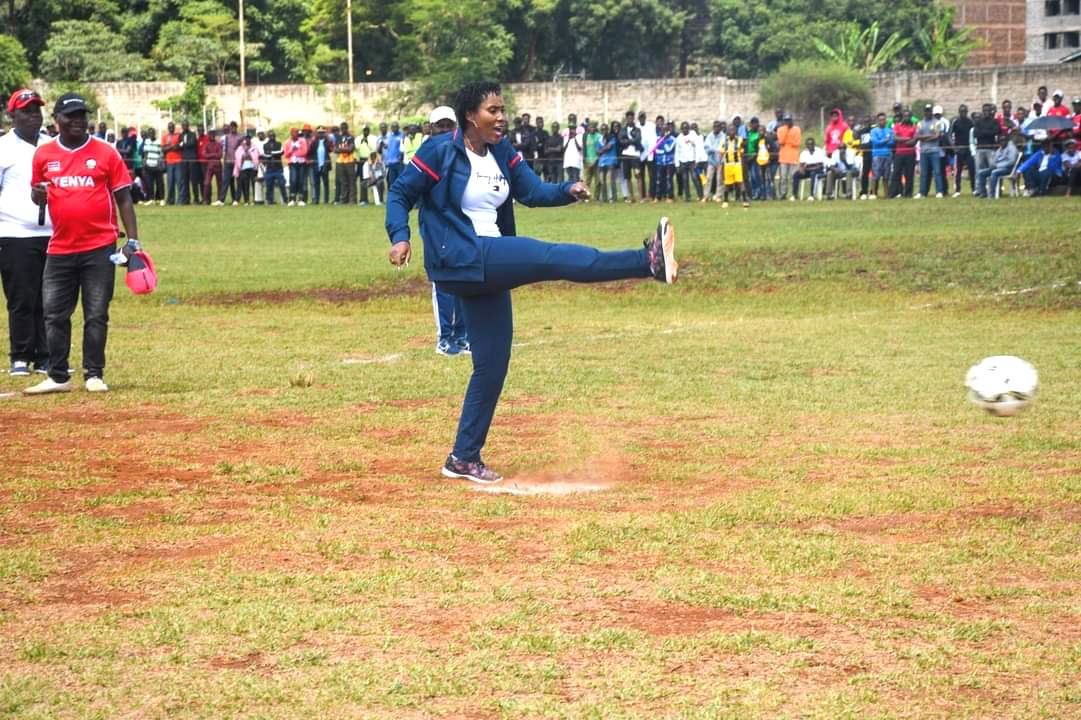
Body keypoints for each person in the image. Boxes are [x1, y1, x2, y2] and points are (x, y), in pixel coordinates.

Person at [384, 81, 678, 484]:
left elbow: (532, 192)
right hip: (462, 255)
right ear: (470, 115)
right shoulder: (440, 150)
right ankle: (646, 261)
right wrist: (399, 236)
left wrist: (566, 190)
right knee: (550, 257)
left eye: (503, 110)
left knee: (491, 366)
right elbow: (400, 193)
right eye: (492, 110)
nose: (501, 118)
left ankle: (462, 457)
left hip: (486, 263)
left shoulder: (502, 152)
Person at [25, 93, 141, 395]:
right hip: (60, 247)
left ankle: (94, 374)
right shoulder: (44, 155)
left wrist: (133, 241)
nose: (78, 120)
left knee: (96, 312)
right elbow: (37, 193)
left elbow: (124, 198)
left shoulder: (106, 152)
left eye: (82, 115)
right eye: (70, 116)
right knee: (54, 314)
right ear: (57, 121)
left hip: (99, 247)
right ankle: (58, 375)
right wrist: (37, 196)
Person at [0, 89, 52, 377]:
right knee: (21, 297)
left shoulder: (51, 145)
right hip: (15, 233)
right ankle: (20, 355)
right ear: (12, 115)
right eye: (27, 111)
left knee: (50, 299)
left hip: (53, 233)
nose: (34, 116)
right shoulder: (3, 147)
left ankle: (46, 356)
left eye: (37, 110)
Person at [976, 133, 1020, 199]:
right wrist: (993, 164)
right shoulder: (1000, 149)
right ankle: (983, 193)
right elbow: (995, 159)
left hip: (1008, 169)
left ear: (1007, 140)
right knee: (981, 173)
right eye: (1001, 141)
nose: (1002, 142)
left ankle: (992, 194)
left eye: (1004, 140)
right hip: (997, 167)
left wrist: (998, 166)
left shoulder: (1012, 148)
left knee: (994, 173)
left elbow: (1011, 162)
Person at [972, 104, 1001, 196]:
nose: (986, 112)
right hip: (980, 149)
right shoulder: (978, 122)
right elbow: (976, 134)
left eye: (988, 110)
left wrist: (984, 132)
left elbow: (996, 131)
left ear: (991, 111)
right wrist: (988, 132)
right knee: (979, 170)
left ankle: (992, 190)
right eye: (984, 111)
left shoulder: (994, 121)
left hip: (991, 149)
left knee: (992, 170)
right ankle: (980, 190)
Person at [889, 110, 917, 198]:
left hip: (910, 154)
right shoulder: (897, 126)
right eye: (905, 116)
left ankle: (908, 193)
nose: (907, 118)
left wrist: (902, 140)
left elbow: (913, 141)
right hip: (899, 153)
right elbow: (895, 138)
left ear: (911, 117)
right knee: (896, 174)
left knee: (909, 174)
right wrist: (907, 138)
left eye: (908, 116)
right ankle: (894, 192)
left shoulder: (914, 127)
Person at [720, 124, 747, 207]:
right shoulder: (724, 141)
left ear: (736, 131)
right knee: (727, 183)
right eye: (730, 130)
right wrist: (722, 165)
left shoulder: (739, 140)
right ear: (727, 132)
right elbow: (721, 153)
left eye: (733, 130)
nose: (731, 132)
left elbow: (742, 153)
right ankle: (725, 201)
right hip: (727, 165)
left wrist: (742, 165)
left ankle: (745, 201)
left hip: (737, 165)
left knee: (740, 182)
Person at [868, 113, 893, 199]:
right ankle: (874, 194)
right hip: (877, 155)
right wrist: (884, 141)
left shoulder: (889, 131)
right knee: (875, 176)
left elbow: (891, 142)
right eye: (880, 120)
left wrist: (883, 141)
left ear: (886, 121)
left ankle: (886, 194)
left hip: (887, 155)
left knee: (886, 176)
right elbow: (875, 142)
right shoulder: (873, 131)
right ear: (878, 121)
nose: (882, 121)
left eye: (883, 120)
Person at [675, 122, 702, 202]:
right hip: (683, 161)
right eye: (683, 128)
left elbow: (697, 147)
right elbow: (677, 152)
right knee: (685, 179)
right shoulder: (679, 138)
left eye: (686, 128)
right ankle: (687, 197)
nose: (685, 130)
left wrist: (697, 160)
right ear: (681, 129)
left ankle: (700, 195)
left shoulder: (693, 135)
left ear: (689, 128)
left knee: (695, 178)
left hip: (692, 161)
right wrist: (677, 164)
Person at [776, 114, 801, 200]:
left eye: (789, 120)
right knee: (783, 177)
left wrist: (788, 142)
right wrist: (786, 130)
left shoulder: (797, 129)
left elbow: (797, 143)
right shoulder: (780, 130)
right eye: (786, 120)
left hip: (794, 156)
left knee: (793, 177)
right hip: (783, 157)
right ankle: (783, 193)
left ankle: (794, 193)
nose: (788, 122)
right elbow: (781, 141)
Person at [596, 120, 622, 203]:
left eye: (605, 129)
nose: (604, 131)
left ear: (607, 130)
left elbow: (609, 147)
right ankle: (604, 198)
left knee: (610, 180)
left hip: (611, 161)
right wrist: (603, 149)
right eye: (602, 129)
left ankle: (613, 198)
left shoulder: (612, 137)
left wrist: (602, 149)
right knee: (602, 181)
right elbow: (597, 151)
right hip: (601, 162)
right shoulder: (599, 139)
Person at [619, 111, 642, 202]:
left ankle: (641, 197)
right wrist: (631, 141)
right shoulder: (623, 130)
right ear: (626, 119)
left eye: (631, 118)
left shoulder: (637, 130)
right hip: (625, 155)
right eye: (628, 118)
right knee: (627, 177)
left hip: (635, 155)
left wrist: (627, 140)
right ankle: (632, 197)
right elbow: (620, 140)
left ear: (633, 118)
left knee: (638, 175)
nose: (630, 119)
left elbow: (638, 140)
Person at [283, 127, 308, 206]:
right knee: (293, 181)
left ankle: (301, 199)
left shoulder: (302, 141)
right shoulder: (287, 142)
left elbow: (305, 152)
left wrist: (296, 152)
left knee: (301, 181)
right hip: (292, 163)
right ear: (291, 134)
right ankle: (292, 199)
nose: (295, 134)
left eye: (297, 133)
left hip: (301, 163)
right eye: (294, 133)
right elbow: (286, 155)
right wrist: (292, 149)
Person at [218, 122, 241, 205]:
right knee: (226, 181)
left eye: (234, 127)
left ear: (236, 127)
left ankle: (236, 200)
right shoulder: (227, 137)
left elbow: (241, 149)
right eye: (232, 127)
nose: (233, 129)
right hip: (228, 161)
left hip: (236, 162)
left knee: (237, 181)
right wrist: (224, 160)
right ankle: (221, 200)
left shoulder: (240, 137)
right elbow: (225, 149)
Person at [334, 122, 357, 206]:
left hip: (349, 161)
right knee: (343, 181)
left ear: (347, 128)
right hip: (340, 161)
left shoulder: (351, 137)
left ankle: (352, 199)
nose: (343, 130)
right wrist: (344, 149)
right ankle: (344, 199)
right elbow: (335, 149)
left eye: (344, 128)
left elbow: (351, 149)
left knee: (351, 181)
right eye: (342, 128)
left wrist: (341, 149)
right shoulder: (338, 137)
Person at [262, 130, 286, 205]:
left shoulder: (279, 144)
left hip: (278, 168)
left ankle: (284, 199)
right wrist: (273, 153)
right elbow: (266, 155)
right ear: (268, 137)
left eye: (273, 136)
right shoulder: (265, 145)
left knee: (282, 184)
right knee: (269, 185)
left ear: (275, 136)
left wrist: (272, 153)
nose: (272, 137)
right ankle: (269, 200)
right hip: (269, 168)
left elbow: (281, 152)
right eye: (270, 136)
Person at [233, 135, 259, 205]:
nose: (247, 140)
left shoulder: (254, 147)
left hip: (252, 168)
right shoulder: (240, 148)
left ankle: (255, 200)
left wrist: (249, 155)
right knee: (245, 185)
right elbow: (237, 157)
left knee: (254, 184)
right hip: (243, 168)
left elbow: (256, 156)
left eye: (248, 139)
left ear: (250, 139)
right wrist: (243, 156)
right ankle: (246, 200)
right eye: (246, 139)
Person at [310, 126, 333, 204]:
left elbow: (331, 149)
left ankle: (326, 200)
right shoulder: (314, 142)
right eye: (319, 133)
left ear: (324, 133)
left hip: (325, 164)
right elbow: (310, 150)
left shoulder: (327, 141)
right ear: (317, 133)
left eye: (322, 133)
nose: (321, 134)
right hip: (316, 164)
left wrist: (328, 139)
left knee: (326, 183)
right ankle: (316, 200)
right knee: (316, 183)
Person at [161, 121, 182, 205]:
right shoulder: (165, 137)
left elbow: (180, 146)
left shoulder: (178, 136)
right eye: (169, 127)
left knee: (179, 181)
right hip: (169, 162)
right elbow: (163, 149)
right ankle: (170, 200)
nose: (171, 128)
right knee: (170, 182)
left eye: (172, 127)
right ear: (168, 128)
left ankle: (180, 200)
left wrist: (169, 147)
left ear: (174, 127)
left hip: (178, 161)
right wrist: (172, 147)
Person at [703, 120, 723, 202]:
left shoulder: (723, 136)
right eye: (715, 126)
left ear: (720, 128)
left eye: (718, 126)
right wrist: (716, 150)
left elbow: (722, 148)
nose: (716, 128)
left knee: (719, 179)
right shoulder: (709, 136)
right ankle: (706, 196)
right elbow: (707, 148)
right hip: (711, 161)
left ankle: (718, 196)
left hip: (721, 161)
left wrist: (715, 150)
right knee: (708, 178)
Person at [561, 113, 583, 185]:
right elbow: (563, 148)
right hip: (568, 159)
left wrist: (575, 137)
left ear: (576, 120)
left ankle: (576, 195)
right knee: (569, 178)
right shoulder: (565, 131)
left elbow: (580, 148)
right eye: (570, 119)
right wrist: (569, 137)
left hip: (576, 159)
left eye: (573, 119)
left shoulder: (580, 130)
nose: (572, 120)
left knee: (576, 178)